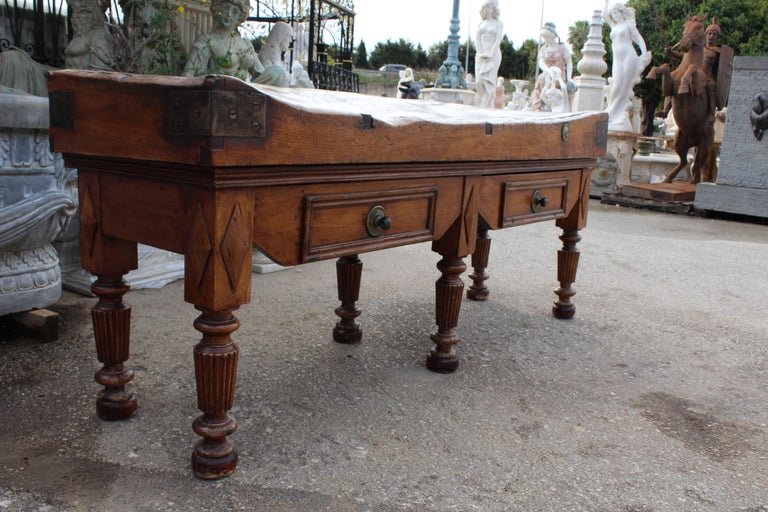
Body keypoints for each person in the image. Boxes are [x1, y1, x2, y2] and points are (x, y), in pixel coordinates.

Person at [182, 0, 263, 81]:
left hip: (247, 90)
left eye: (234, 12)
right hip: (221, 90)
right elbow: (189, 75)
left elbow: (260, 72)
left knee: (275, 73)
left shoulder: (246, 43)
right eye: (226, 8)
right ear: (218, 9)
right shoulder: (207, 41)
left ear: (240, 16)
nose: (229, 15)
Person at [603, 2, 651, 131]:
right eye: (613, 14)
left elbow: (638, 39)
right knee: (617, 84)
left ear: (621, 12)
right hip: (617, 57)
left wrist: (644, 52)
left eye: (616, 13)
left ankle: (613, 112)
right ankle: (611, 108)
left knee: (624, 86)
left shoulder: (628, 25)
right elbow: (605, 15)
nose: (614, 16)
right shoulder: (614, 25)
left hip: (629, 55)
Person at [531, 22, 574, 111]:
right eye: (544, 38)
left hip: (559, 76)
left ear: (553, 36)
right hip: (546, 76)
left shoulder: (562, 48)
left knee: (565, 88)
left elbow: (569, 62)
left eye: (547, 37)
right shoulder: (543, 49)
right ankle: (538, 107)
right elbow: (541, 62)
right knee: (541, 79)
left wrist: (569, 78)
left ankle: (562, 108)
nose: (545, 40)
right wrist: (549, 71)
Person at [64, 0, 111, 70]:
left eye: (84, 12)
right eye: (75, 11)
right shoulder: (80, 36)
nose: (76, 17)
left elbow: (101, 71)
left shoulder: (99, 36)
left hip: (84, 79)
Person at [474, 0, 503, 108]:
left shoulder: (498, 23)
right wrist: (480, 52)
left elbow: (498, 40)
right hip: (481, 54)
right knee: (479, 82)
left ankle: (484, 107)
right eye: (486, 7)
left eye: (490, 7)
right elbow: (477, 38)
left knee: (489, 84)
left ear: (494, 9)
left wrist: (490, 54)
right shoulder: (481, 23)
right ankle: (482, 104)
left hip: (493, 54)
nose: (488, 9)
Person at [253, 21, 294, 86]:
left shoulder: (277, 56)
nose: (290, 41)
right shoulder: (267, 56)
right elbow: (271, 80)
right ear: (280, 36)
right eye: (288, 36)